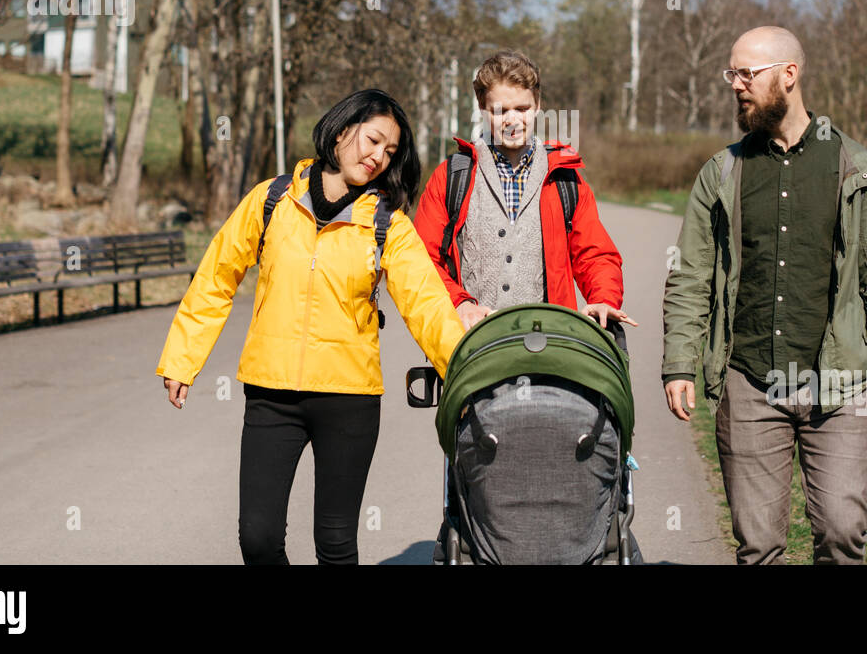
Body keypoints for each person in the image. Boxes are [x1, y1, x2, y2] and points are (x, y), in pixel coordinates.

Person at [156, 89, 467, 565]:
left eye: (389, 151)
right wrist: (183, 357)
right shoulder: (273, 199)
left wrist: (468, 380)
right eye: (372, 140)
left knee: (336, 545)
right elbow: (216, 277)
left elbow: (427, 306)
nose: (378, 157)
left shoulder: (387, 224)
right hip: (271, 393)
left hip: (349, 398)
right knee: (257, 540)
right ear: (342, 131)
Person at [661, 26, 867, 564]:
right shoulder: (722, 173)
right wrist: (680, 363)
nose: (736, 85)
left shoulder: (857, 169)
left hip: (840, 382)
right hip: (750, 379)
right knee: (759, 546)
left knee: (843, 532)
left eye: (746, 73)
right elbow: (691, 275)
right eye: (732, 74)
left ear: (789, 74)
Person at [413, 48, 635, 331]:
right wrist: (459, 302)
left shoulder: (565, 179)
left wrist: (603, 298)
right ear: (482, 109)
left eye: (522, 109)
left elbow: (594, 254)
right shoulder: (452, 177)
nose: (512, 120)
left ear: (538, 105)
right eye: (500, 110)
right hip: (469, 345)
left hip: (549, 346)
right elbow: (422, 259)